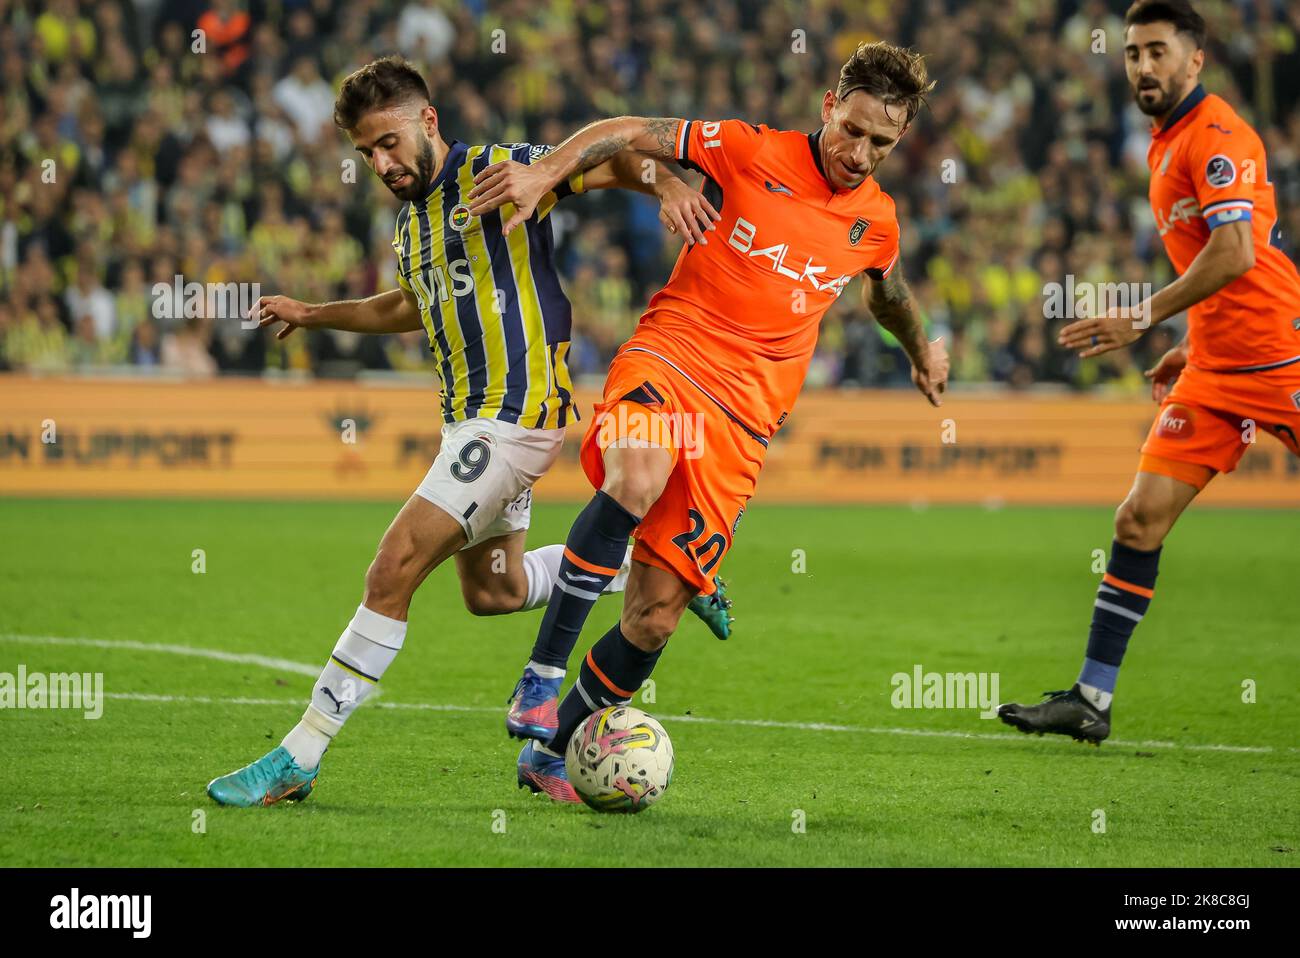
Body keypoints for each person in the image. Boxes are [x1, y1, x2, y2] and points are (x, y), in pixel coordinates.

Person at [206, 55, 726, 807]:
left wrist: (671, 182)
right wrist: (315, 314)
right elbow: (407, 307)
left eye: (388, 142)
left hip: (512, 416)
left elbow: (607, 165)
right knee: (496, 591)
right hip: (474, 423)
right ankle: (664, 566)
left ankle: (299, 754)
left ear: (428, 121)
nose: (381, 163)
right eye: (366, 153)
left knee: (392, 571)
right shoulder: (412, 223)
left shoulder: (495, 170)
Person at [469, 40, 949, 801]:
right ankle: (539, 672)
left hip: (745, 425)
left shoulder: (877, 224)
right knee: (638, 471)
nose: (859, 152)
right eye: (851, 129)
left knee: (655, 618)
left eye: (880, 142)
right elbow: (628, 131)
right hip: (672, 358)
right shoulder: (745, 146)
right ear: (830, 106)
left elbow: (888, 297)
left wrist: (923, 349)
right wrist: (543, 172)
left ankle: (549, 750)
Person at [998, 0, 1300, 744]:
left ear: (1195, 59)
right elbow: (1215, 264)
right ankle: (1092, 701)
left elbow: (1236, 254)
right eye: (1133, 53)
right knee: (1137, 519)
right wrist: (1195, 344)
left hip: (1283, 355)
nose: (1143, 66)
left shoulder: (1218, 135)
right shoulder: (1162, 144)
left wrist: (1141, 316)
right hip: (1218, 368)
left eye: (1158, 51)